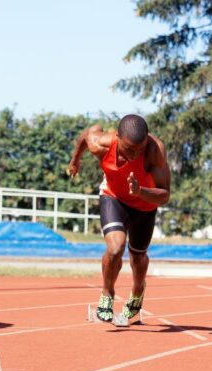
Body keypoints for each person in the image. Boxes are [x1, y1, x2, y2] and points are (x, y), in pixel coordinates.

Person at [68, 114, 171, 322]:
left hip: (144, 204)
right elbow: (86, 135)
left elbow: (165, 195)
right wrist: (75, 160)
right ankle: (107, 293)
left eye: (138, 149)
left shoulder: (154, 151)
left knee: (138, 257)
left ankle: (137, 291)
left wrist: (140, 191)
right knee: (115, 248)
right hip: (113, 197)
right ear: (117, 137)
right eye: (129, 149)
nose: (134, 155)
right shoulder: (101, 144)